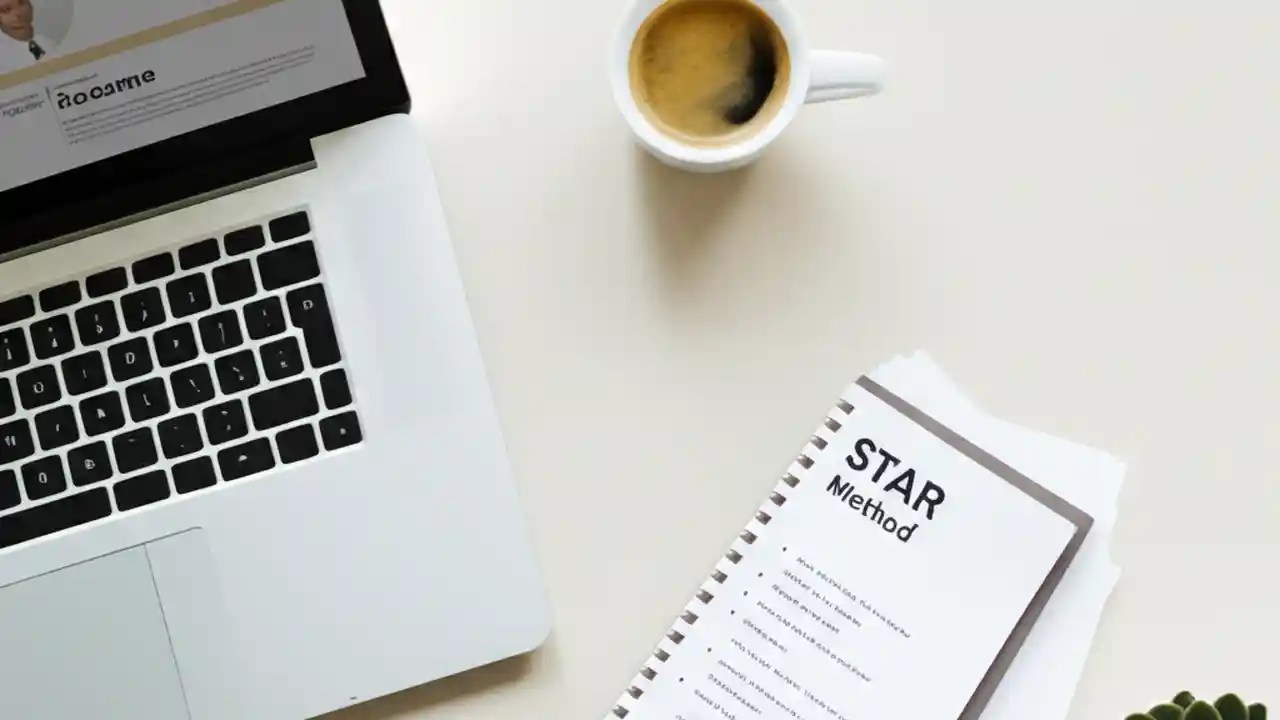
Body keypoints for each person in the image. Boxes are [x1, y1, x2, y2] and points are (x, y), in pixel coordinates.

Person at [0, 0, 59, 74]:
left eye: (21, 3)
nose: (18, 13)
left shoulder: (49, 42)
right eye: (6, 10)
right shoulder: (3, 60)